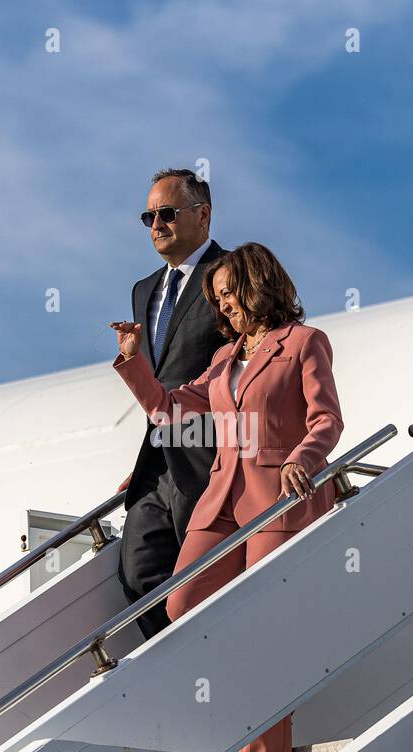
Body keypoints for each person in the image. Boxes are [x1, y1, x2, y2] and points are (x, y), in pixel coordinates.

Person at [109, 242, 344, 752]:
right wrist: (133, 360)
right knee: (182, 601)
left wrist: (301, 459)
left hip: (277, 496)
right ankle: (235, 709)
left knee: (264, 626)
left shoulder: (305, 343)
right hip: (222, 499)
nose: (225, 307)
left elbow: (327, 419)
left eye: (229, 294)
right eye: (217, 299)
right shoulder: (223, 360)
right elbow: (169, 412)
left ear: (258, 285)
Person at [117, 169, 230, 641]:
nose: (156, 224)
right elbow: (157, 376)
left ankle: (212, 669)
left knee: (207, 575)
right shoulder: (144, 289)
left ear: (202, 215)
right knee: (140, 569)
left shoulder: (231, 272)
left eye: (167, 213)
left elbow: (248, 354)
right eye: (149, 216)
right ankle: (179, 664)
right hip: (159, 453)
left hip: (210, 451)